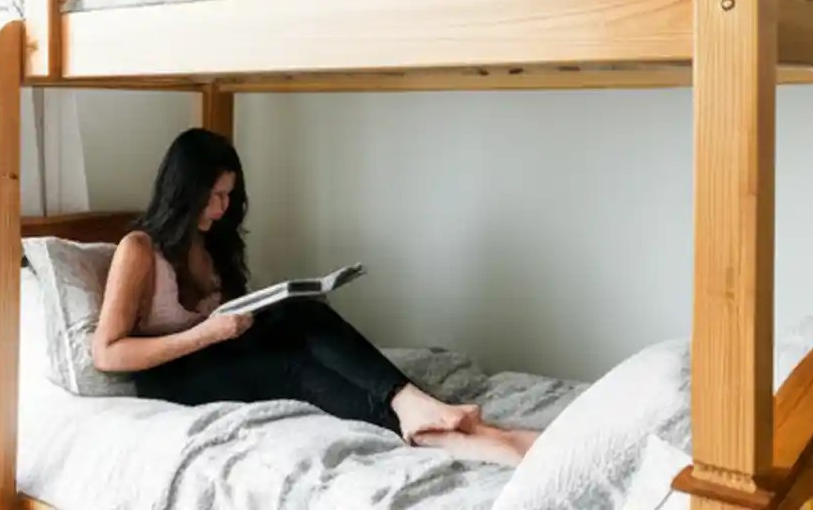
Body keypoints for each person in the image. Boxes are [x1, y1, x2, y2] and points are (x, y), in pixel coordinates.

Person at [92, 128, 538, 465]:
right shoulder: (140, 249)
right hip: (172, 379)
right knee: (293, 367)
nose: (223, 208)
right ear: (184, 192)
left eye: (229, 196)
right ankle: (439, 431)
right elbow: (108, 353)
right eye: (214, 196)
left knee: (302, 312)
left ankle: (418, 407)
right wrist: (206, 334)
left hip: (216, 353)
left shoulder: (210, 244)